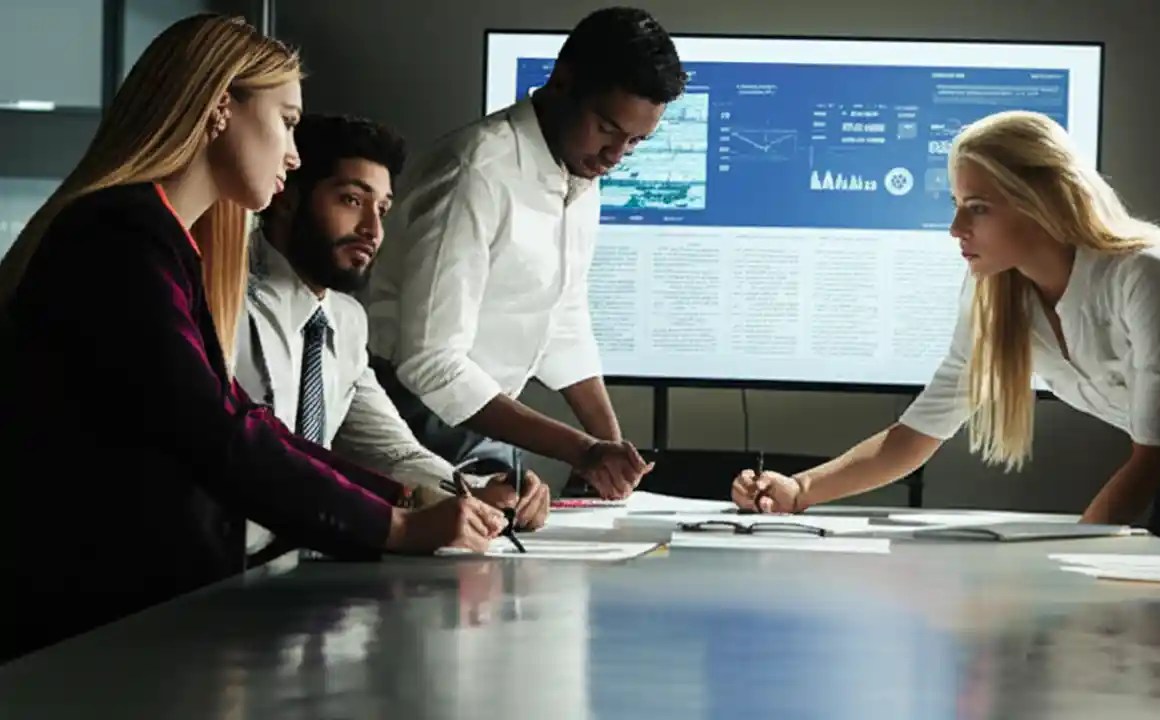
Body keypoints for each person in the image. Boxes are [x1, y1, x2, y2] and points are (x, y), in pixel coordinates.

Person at [0, 14, 505, 663]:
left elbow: (248, 421)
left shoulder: (164, 242)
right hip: (86, 633)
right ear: (218, 108)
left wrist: (403, 497)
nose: (294, 155)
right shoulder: (120, 238)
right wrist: (398, 525)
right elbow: (216, 431)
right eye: (287, 121)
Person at [731, 109, 1160, 554]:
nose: (955, 230)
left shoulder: (1146, 274)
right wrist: (799, 491)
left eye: (978, 209)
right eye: (956, 206)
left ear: (1042, 204)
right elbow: (915, 435)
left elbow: (1153, 456)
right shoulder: (995, 294)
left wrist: (1073, 555)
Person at [364, 6, 686, 500]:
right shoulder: (476, 171)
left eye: (635, 142)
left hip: (476, 416)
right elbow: (429, 362)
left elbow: (562, 320)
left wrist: (613, 450)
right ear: (562, 81)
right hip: (405, 415)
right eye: (607, 128)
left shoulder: (578, 174)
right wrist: (581, 451)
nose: (616, 156)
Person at [236, 112, 549, 562]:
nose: (372, 230)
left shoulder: (344, 321)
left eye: (381, 209)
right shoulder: (227, 299)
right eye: (350, 200)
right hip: (219, 568)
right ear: (286, 197)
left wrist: (474, 497)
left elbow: (390, 449)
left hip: (296, 567)